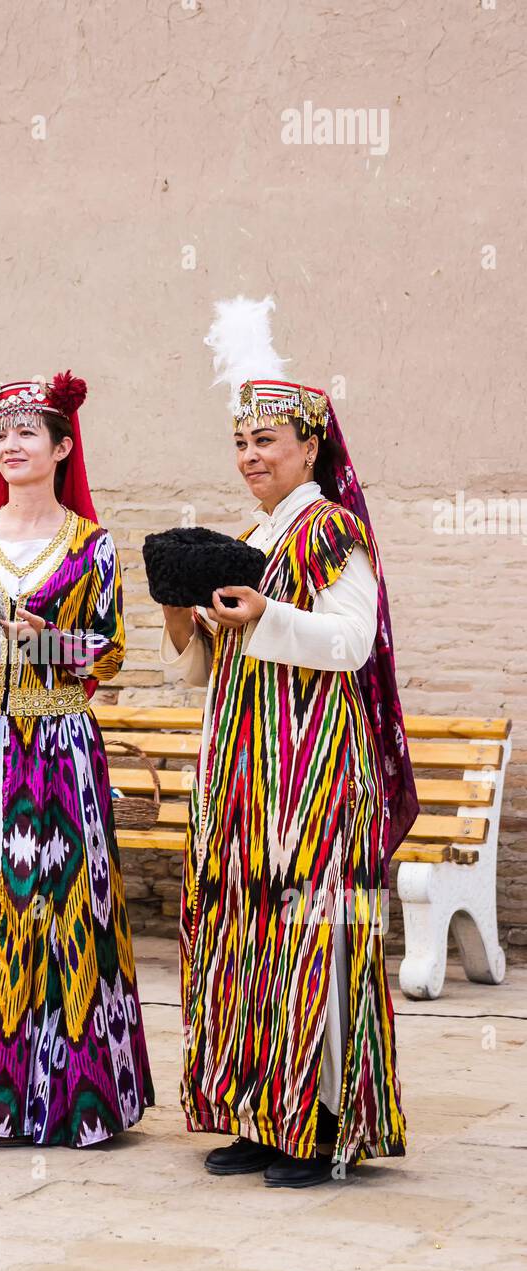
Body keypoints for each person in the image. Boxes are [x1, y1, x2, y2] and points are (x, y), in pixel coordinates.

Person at [159, 299, 418, 1187]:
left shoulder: (332, 530)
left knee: (312, 935)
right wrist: (179, 613)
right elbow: (201, 666)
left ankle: (324, 1127)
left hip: (310, 771)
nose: (250, 458)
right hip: (239, 772)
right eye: (241, 444)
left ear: (310, 448)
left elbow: (351, 643)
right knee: (241, 937)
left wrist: (269, 614)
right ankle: (258, 1116)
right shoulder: (249, 538)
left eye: (266, 441)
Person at [0, 373, 154, 1147]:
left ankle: (64, 1098)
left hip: (58, 746)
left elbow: (107, 656)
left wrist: (39, 635)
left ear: (62, 446)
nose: (11, 446)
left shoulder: (92, 545)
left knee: (58, 908)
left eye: (27, 433)